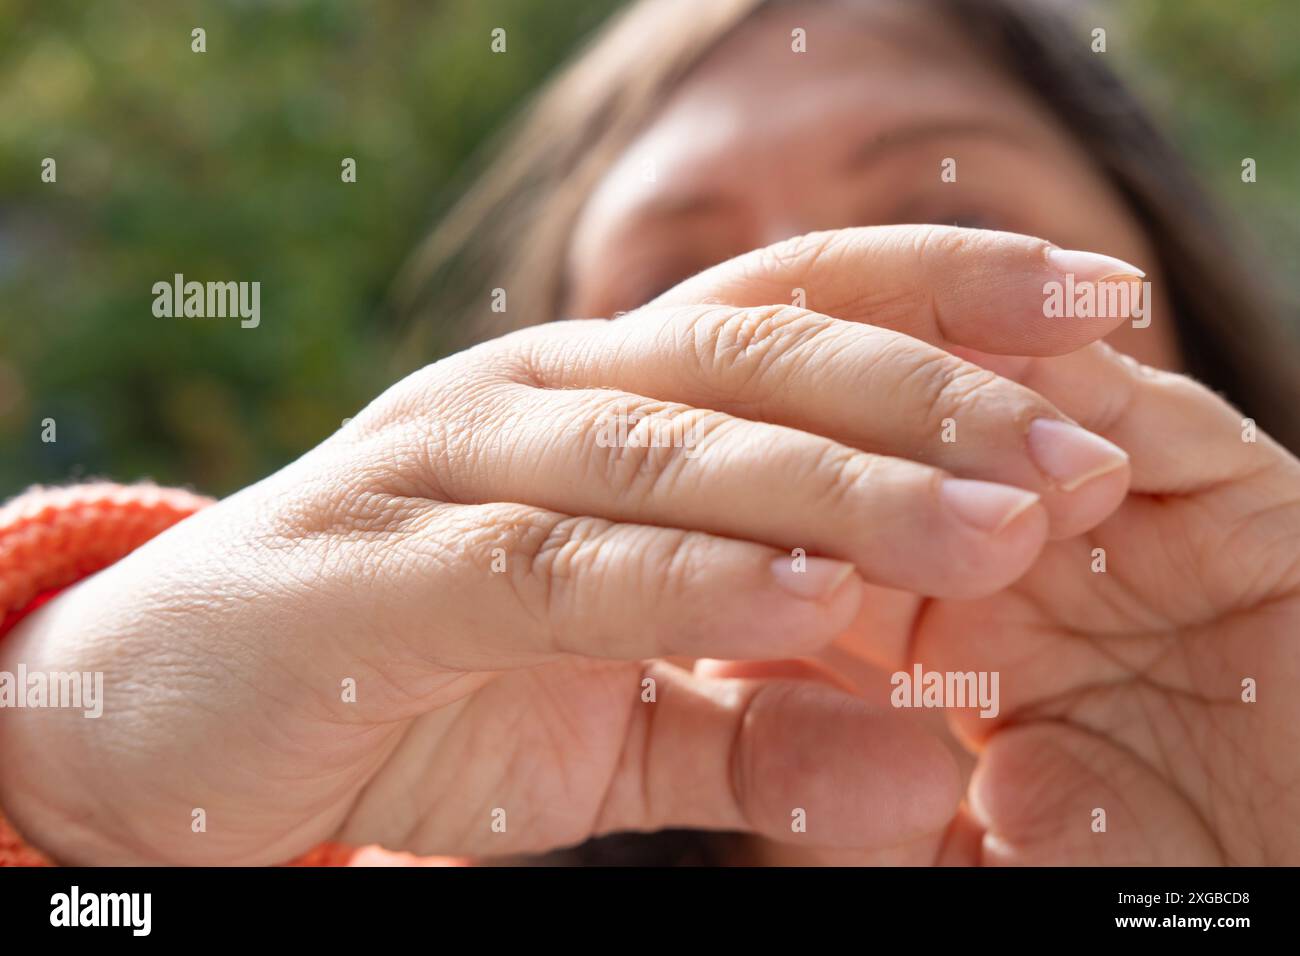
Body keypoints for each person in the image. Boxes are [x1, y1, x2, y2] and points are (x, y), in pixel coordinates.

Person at [2, 0, 1297, 867]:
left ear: (1170, 302)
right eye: (685, 287)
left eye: (942, 216)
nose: (817, 343)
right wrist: (67, 778)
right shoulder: (393, 825)